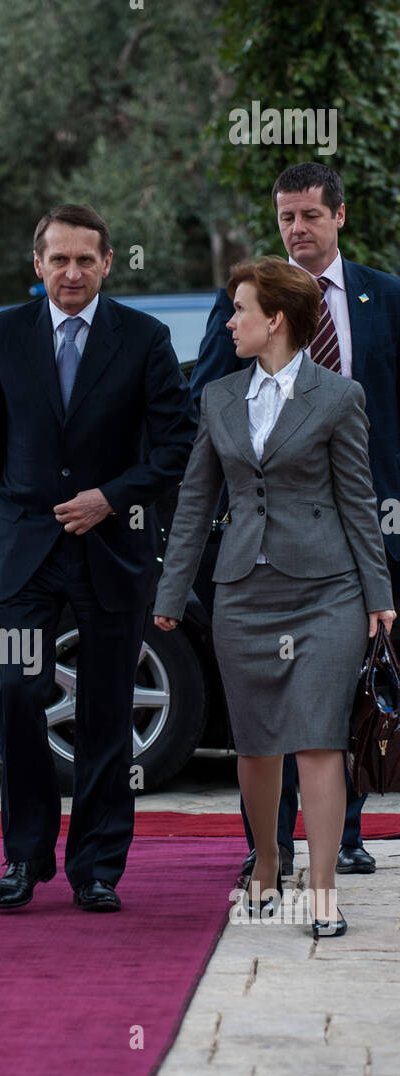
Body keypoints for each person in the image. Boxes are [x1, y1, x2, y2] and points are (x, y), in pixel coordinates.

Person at [0, 203, 197, 912]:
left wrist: (110, 498)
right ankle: (25, 857)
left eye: (85, 259)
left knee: (103, 712)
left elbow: (175, 446)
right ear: (37, 265)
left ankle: (95, 867)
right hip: (22, 548)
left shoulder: (144, 339)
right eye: (58, 259)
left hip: (111, 548)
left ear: (106, 263)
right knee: (14, 692)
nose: (71, 271)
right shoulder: (1, 335)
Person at [155, 257, 395, 938]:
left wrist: (378, 595)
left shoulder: (338, 397)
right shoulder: (217, 398)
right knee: (256, 747)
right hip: (241, 596)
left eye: (239, 310)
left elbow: (357, 502)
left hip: (325, 594)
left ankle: (320, 892)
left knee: (317, 742)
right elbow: (196, 499)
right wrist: (171, 590)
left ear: (275, 321)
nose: (228, 321)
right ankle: (265, 864)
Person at [191, 162, 400, 877]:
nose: (296, 228)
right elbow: (208, 407)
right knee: (266, 715)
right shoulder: (249, 305)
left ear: (338, 217)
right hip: (265, 548)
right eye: (285, 216)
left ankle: (341, 837)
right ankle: (270, 849)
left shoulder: (384, 297)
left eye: (309, 214)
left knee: (347, 695)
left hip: (372, 526)